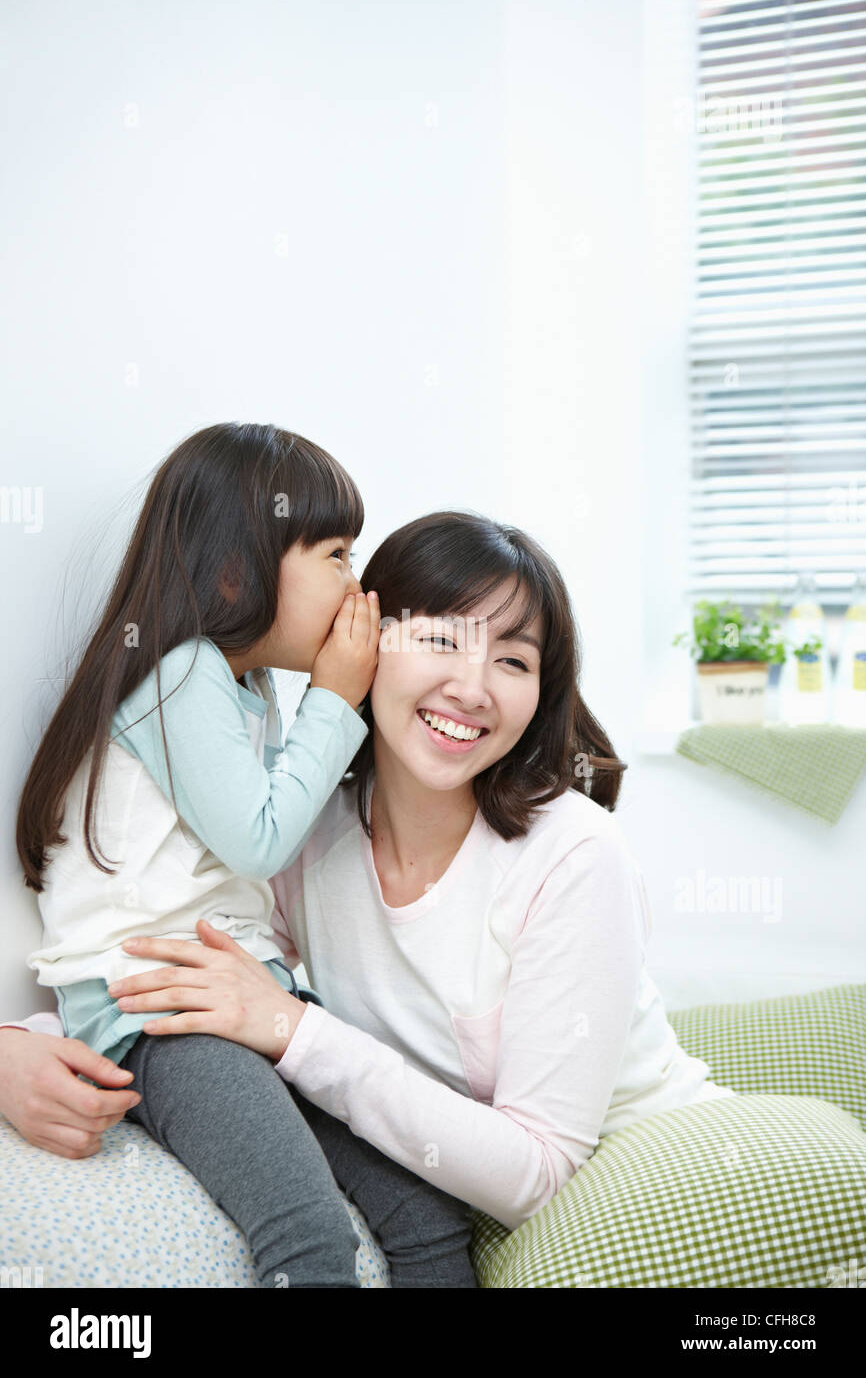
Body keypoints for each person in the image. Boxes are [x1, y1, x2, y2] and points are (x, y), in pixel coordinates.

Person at [1, 508, 735, 1247]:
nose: (474, 688)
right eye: (441, 640)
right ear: (365, 641)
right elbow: (186, 962)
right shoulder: (306, 833)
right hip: (459, 1201)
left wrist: (294, 1028)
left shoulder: (576, 851)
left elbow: (536, 1178)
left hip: (652, 1180)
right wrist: (14, 1046)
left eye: (513, 661)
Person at [2, 425, 480, 1289]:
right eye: (335, 553)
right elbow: (259, 836)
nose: (355, 582)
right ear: (235, 571)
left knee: (431, 1218)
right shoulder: (179, 674)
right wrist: (336, 695)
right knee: (306, 1232)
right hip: (163, 1019)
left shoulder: (244, 687)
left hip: (243, 1000)